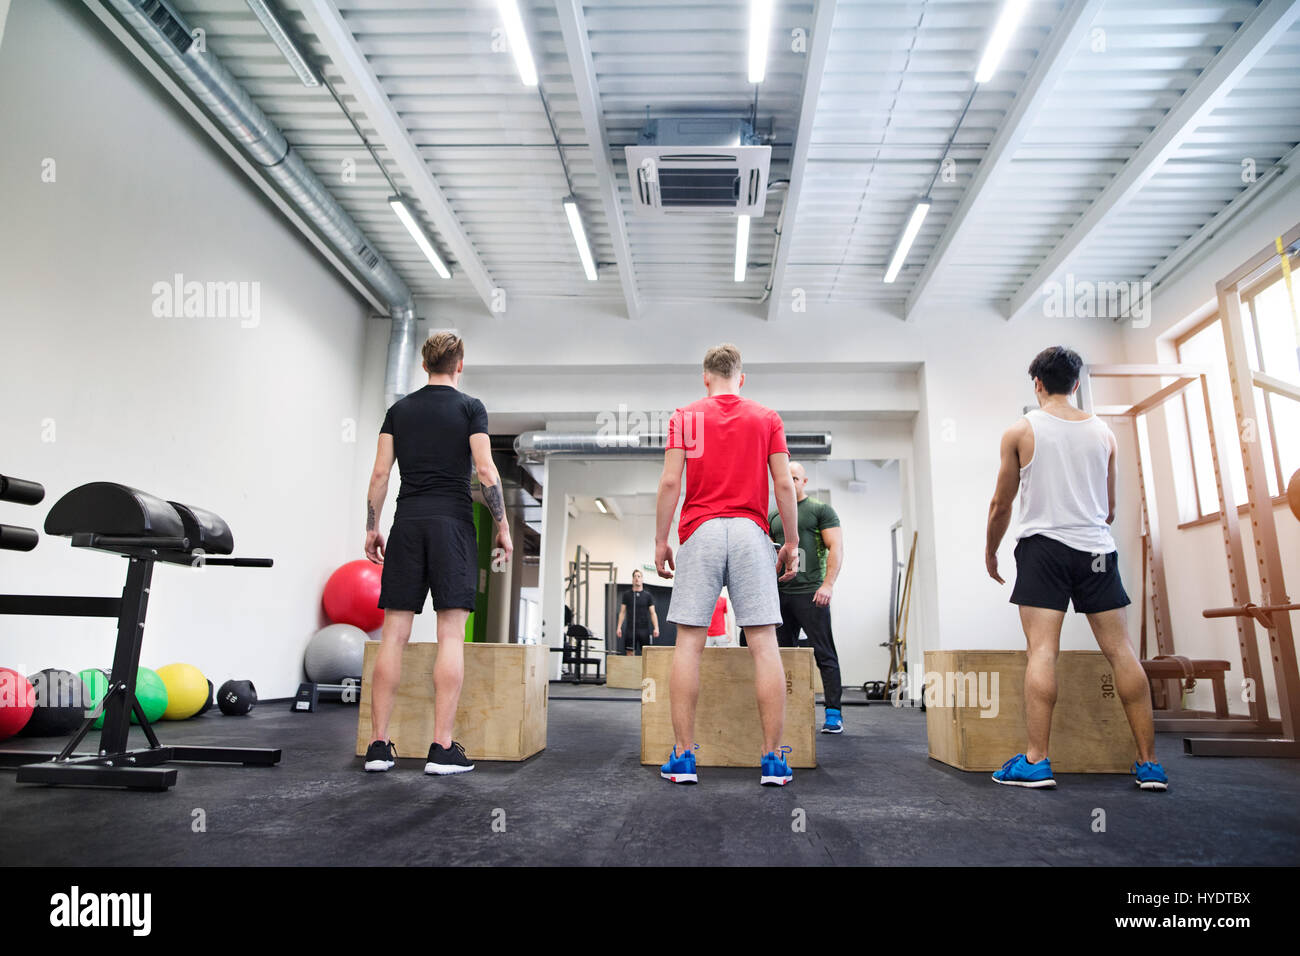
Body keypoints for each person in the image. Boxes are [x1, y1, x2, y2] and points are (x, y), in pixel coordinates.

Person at [985, 345, 1166, 791]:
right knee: (1121, 650)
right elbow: (1109, 508)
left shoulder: (1021, 431)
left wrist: (990, 551)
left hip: (1043, 548)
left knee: (1043, 651)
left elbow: (1000, 505)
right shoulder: (1104, 433)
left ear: (1038, 384)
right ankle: (1149, 765)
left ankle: (1036, 761)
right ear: (1077, 384)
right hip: (1097, 550)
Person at [362, 332, 512, 776]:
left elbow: (379, 474)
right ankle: (441, 749)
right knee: (450, 635)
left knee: (393, 636)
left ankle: (378, 747)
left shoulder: (398, 411)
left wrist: (372, 527)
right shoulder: (471, 408)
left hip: (407, 524)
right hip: (452, 525)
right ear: (459, 364)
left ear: (425, 365)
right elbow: (485, 469)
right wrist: (501, 525)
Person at [654, 343, 800, 786]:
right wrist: (791, 541)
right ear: (742, 377)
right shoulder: (767, 417)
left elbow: (669, 481)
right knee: (764, 645)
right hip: (751, 533)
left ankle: (683, 758)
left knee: (688, 645)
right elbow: (783, 484)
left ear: (705, 377)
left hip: (700, 531)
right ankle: (773, 760)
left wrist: (661, 539)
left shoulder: (686, 417)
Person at [768, 462, 845, 733]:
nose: (791, 482)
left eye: (796, 477)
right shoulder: (774, 516)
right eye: (786, 478)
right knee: (780, 657)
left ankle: (834, 714)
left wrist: (828, 585)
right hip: (781, 596)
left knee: (824, 654)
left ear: (804, 481)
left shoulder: (820, 510)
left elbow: (835, 547)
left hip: (812, 594)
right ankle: (785, 714)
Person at [615, 569, 659, 654]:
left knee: (646, 654)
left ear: (642, 579)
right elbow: (622, 612)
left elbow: (653, 613)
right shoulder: (627, 595)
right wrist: (619, 627)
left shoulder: (647, 596)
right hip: (630, 630)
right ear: (632, 579)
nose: (637, 578)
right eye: (635, 576)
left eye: (639, 576)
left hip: (644, 630)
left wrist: (656, 627)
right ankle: (631, 668)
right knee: (630, 653)